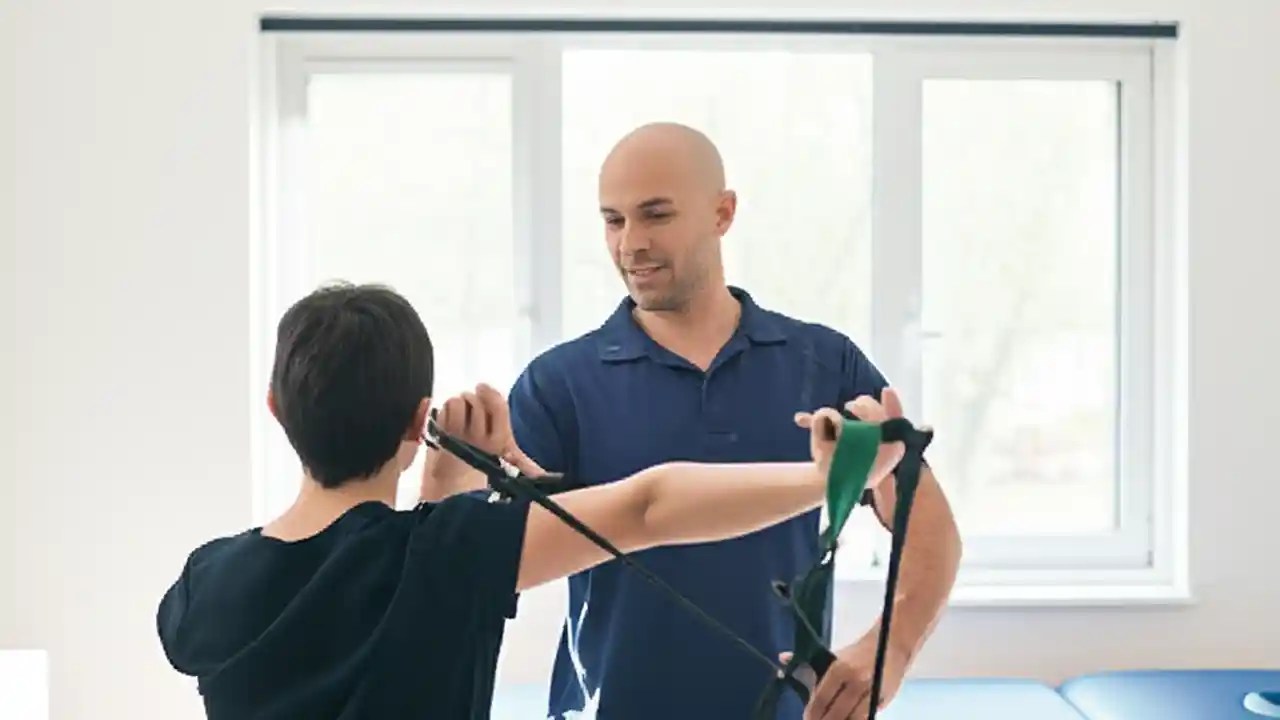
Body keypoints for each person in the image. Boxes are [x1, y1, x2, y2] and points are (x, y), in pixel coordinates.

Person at [155, 282, 903, 720]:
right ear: (419, 422)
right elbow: (649, 507)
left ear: (275, 407)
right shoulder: (447, 553)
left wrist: (445, 495)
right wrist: (832, 479)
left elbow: (355, 586)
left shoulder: (204, 584)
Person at [505, 123, 962, 720]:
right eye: (614, 220)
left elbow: (931, 527)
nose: (630, 244)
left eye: (656, 215)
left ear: (723, 213)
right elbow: (493, 563)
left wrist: (890, 649)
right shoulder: (557, 385)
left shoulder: (824, 364)